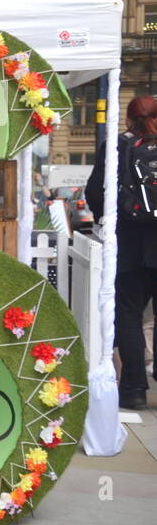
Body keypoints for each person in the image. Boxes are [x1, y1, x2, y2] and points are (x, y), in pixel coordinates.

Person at [86, 95, 157, 409]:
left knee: (128, 315)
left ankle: (133, 389)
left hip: (129, 244)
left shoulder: (117, 146)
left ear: (128, 118)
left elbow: (94, 191)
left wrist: (108, 220)